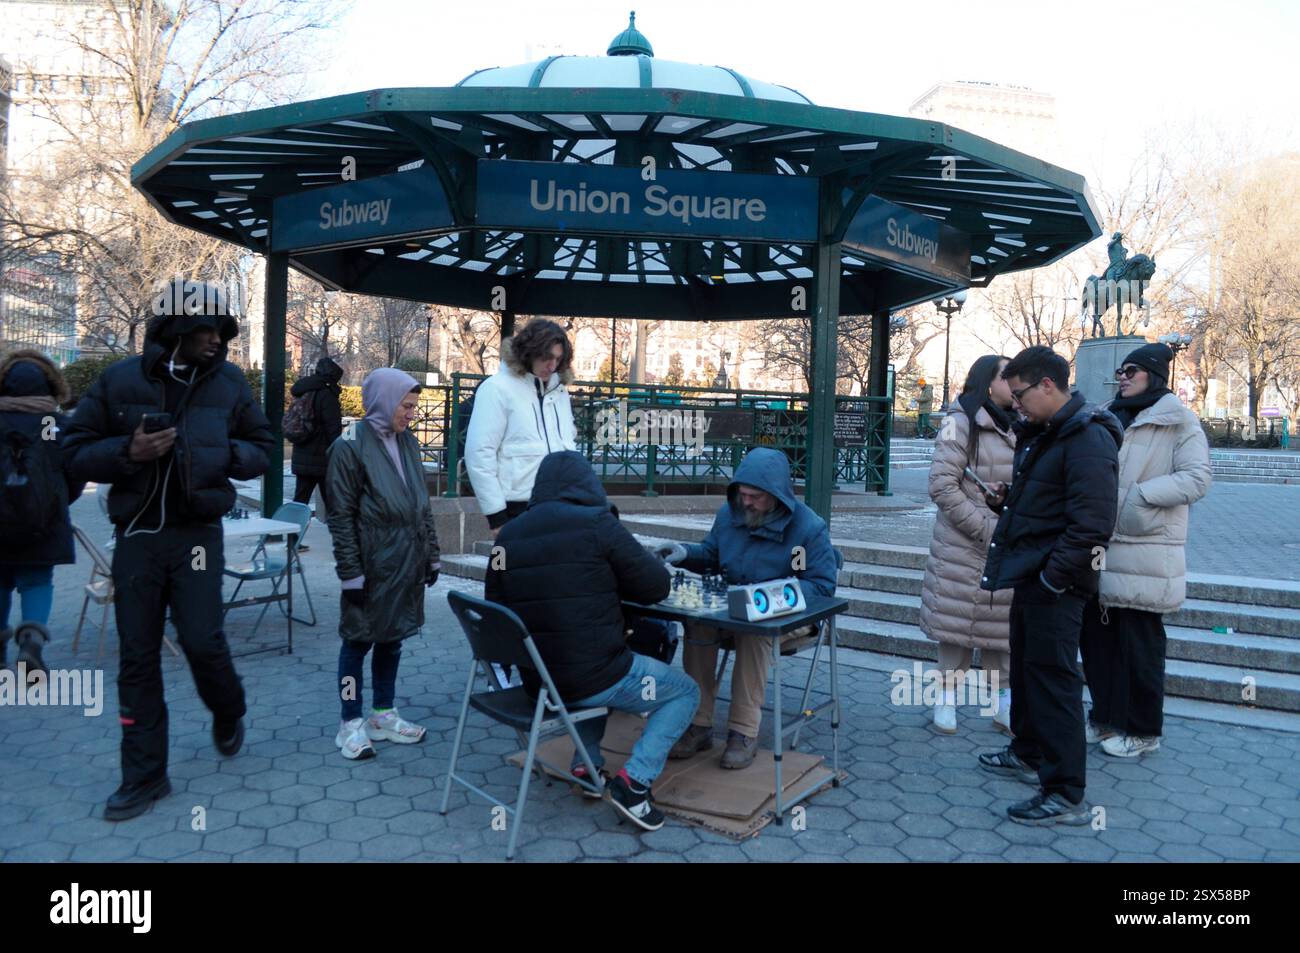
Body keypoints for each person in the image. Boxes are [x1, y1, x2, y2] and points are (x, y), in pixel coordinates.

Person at [63, 280, 274, 821]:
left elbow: (264, 449)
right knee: (137, 656)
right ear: (172, 331)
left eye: (222, 330)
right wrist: (127, 451)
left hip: (198, 534)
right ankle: (144, 776)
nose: (216, 339)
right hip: (136, 538)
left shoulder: (229, 383)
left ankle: (228, 709)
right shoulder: (117, 381)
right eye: (204, 328)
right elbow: (73, 452)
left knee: (203, 640)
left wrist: (226, 451)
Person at [484, 451, 694, 831]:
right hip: (595, 679)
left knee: (583, 658)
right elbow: (656, 585)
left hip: (540, 683)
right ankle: (635, 782)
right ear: (588, 484)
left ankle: (585, 762)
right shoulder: (598, 523)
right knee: (684, 692)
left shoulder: (508, 536)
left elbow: (493, 610)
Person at [976, 345, 1121, 826]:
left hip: (1056, 583)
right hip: (1034, 575)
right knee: (1027, 670)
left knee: (1054, 681)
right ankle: (1029, 751)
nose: (1015, 405)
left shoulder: (1086, 439)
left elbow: (1091, 525)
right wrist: (1007, 503)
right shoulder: (1046, 432)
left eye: (1019, 395)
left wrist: (1052, 578)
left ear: (1047, 386)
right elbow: (1047, 504)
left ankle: (1064, 791)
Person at [660, 447, 838, 770]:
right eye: (742, 494)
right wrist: (684, 553)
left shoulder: (807, 530)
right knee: (698, 623)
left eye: (755, 497)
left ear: (776, 495)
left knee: (756, 632)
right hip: (736, 608)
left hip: (792, 615)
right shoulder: (729, 517)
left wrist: (771, 598)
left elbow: (820, 586)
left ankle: (743, 732)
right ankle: (699, 724)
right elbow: (713, 555)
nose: (746, 503)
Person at [1082, 343, 1211, 758]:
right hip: (1099, 547)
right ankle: (1104, 717)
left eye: (1132, 370)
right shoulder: (1106, 413)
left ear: (1153, 375)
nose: (1123, 376)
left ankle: (1142, 730)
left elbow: (1196, 479)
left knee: (1140, 647)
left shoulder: (1179, 421)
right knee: (1097, 641)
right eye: (1121, 370)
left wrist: (1138, 497)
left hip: (1146, 549)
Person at [327, 368, 441, 761]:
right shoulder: (349, 445)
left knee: (392, 639)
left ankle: (382, 714)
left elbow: (420, 504)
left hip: (406, 560)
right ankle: (349, 722)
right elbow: (339, 517)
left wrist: (432, 553)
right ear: (385, 400)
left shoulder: (406, 442)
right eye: (406, 406)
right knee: (356, 643)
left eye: (413, 406)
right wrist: (350, 574)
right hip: (371, 564)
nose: (411, 414)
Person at [919, 355, 1016, 734]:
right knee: (956, 629)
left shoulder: (1024, 425)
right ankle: (945, 700)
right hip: (963, 544)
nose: (1015, 383)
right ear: (987, 383)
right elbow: (941, 485)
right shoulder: (956, 423)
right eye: (1007, 377)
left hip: (1005, 544)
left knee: (1002, 632)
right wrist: (985, 526)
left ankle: (1003, 704)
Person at [0, 350, 85, 673]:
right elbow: (76, 471)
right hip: (43, 522)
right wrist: (56, 503)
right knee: (36, 580)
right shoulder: (56, 424)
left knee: (1, 581)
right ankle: (31, 644)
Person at [465, 319, 577, 537]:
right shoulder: (496, 388)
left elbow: (567, 443)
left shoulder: (560, 392)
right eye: (546, 357)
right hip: (516, 506)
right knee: (516, 570)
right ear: (529, 352)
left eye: (558, 358)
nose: (552, 365)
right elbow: (479, 453)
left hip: (561, 502)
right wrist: (496, 516)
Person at [289, 356, 344, 532]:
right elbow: (333, 429)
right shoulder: (327, 395)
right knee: (334, 503)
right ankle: (343, 540)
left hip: (302, 455)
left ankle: (293, 541)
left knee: (299, 502)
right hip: (323, 459)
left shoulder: (305, 391)